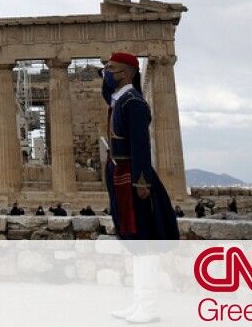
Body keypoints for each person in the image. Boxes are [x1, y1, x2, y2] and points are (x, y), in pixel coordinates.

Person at [102, 52, 178, 324]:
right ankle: (138, 303)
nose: (106, 72)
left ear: (126, 72)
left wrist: (142, 181)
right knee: (135, 242)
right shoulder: (120, 100)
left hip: (134, 178)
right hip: (121, 175)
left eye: (110, 68)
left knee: (144, 242)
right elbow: (107, 92)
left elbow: (141, 144)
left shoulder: (133, 103)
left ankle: (148, 306)